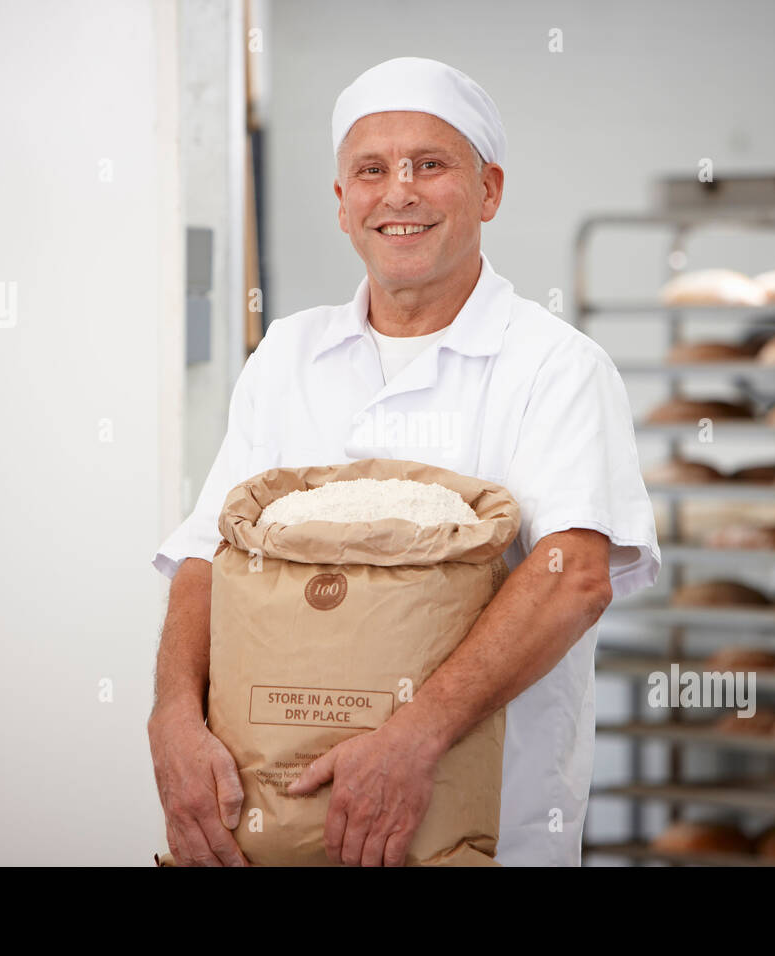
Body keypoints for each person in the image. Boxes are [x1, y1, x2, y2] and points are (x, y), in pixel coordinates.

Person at [148, 56, 659, 867]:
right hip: (280, 836)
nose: (400, 192)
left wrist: (412, 741)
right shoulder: (288, 353)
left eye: (431, 165)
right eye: (372, 171)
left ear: (489, 190)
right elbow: (209, 555)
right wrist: (171, 719)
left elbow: (574, 576)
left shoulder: (555, 365)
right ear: (343, 204)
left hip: (483, 837)